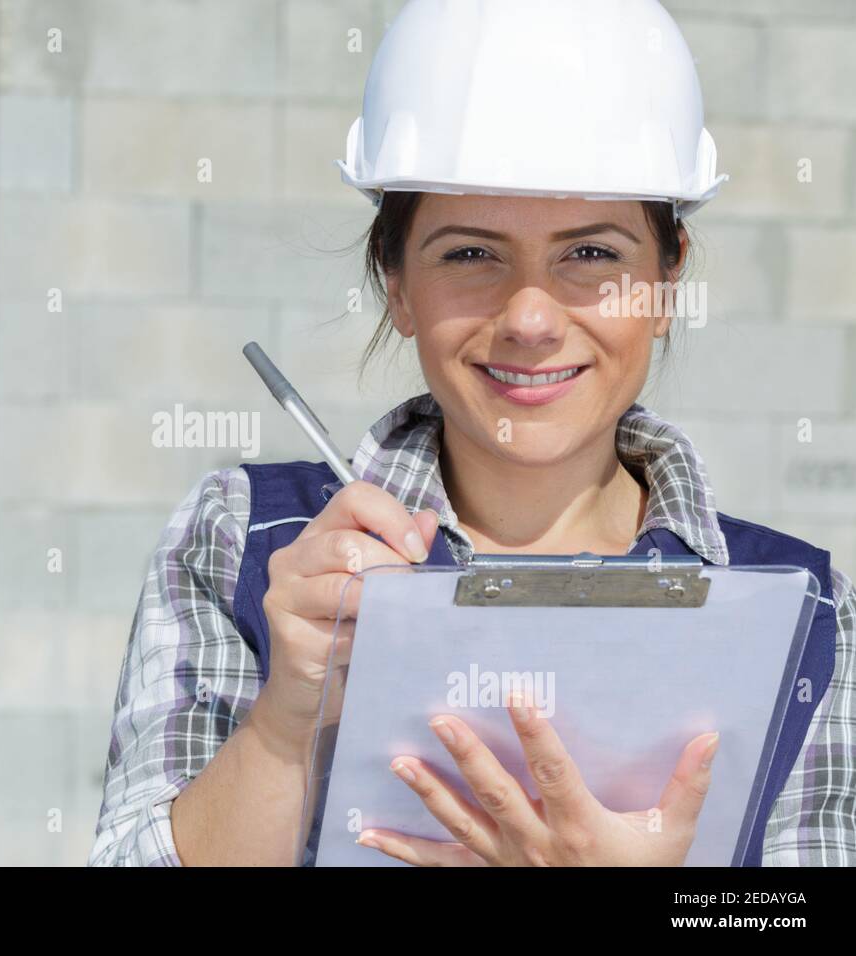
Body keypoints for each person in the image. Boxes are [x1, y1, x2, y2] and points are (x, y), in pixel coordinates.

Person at [89, 0, 855, 866]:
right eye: (470, 254)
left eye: (592, 254)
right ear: (396, 283)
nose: (530, 317)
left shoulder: (799, 606)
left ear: (666, 281)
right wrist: (282, 727)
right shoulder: (250, 541)